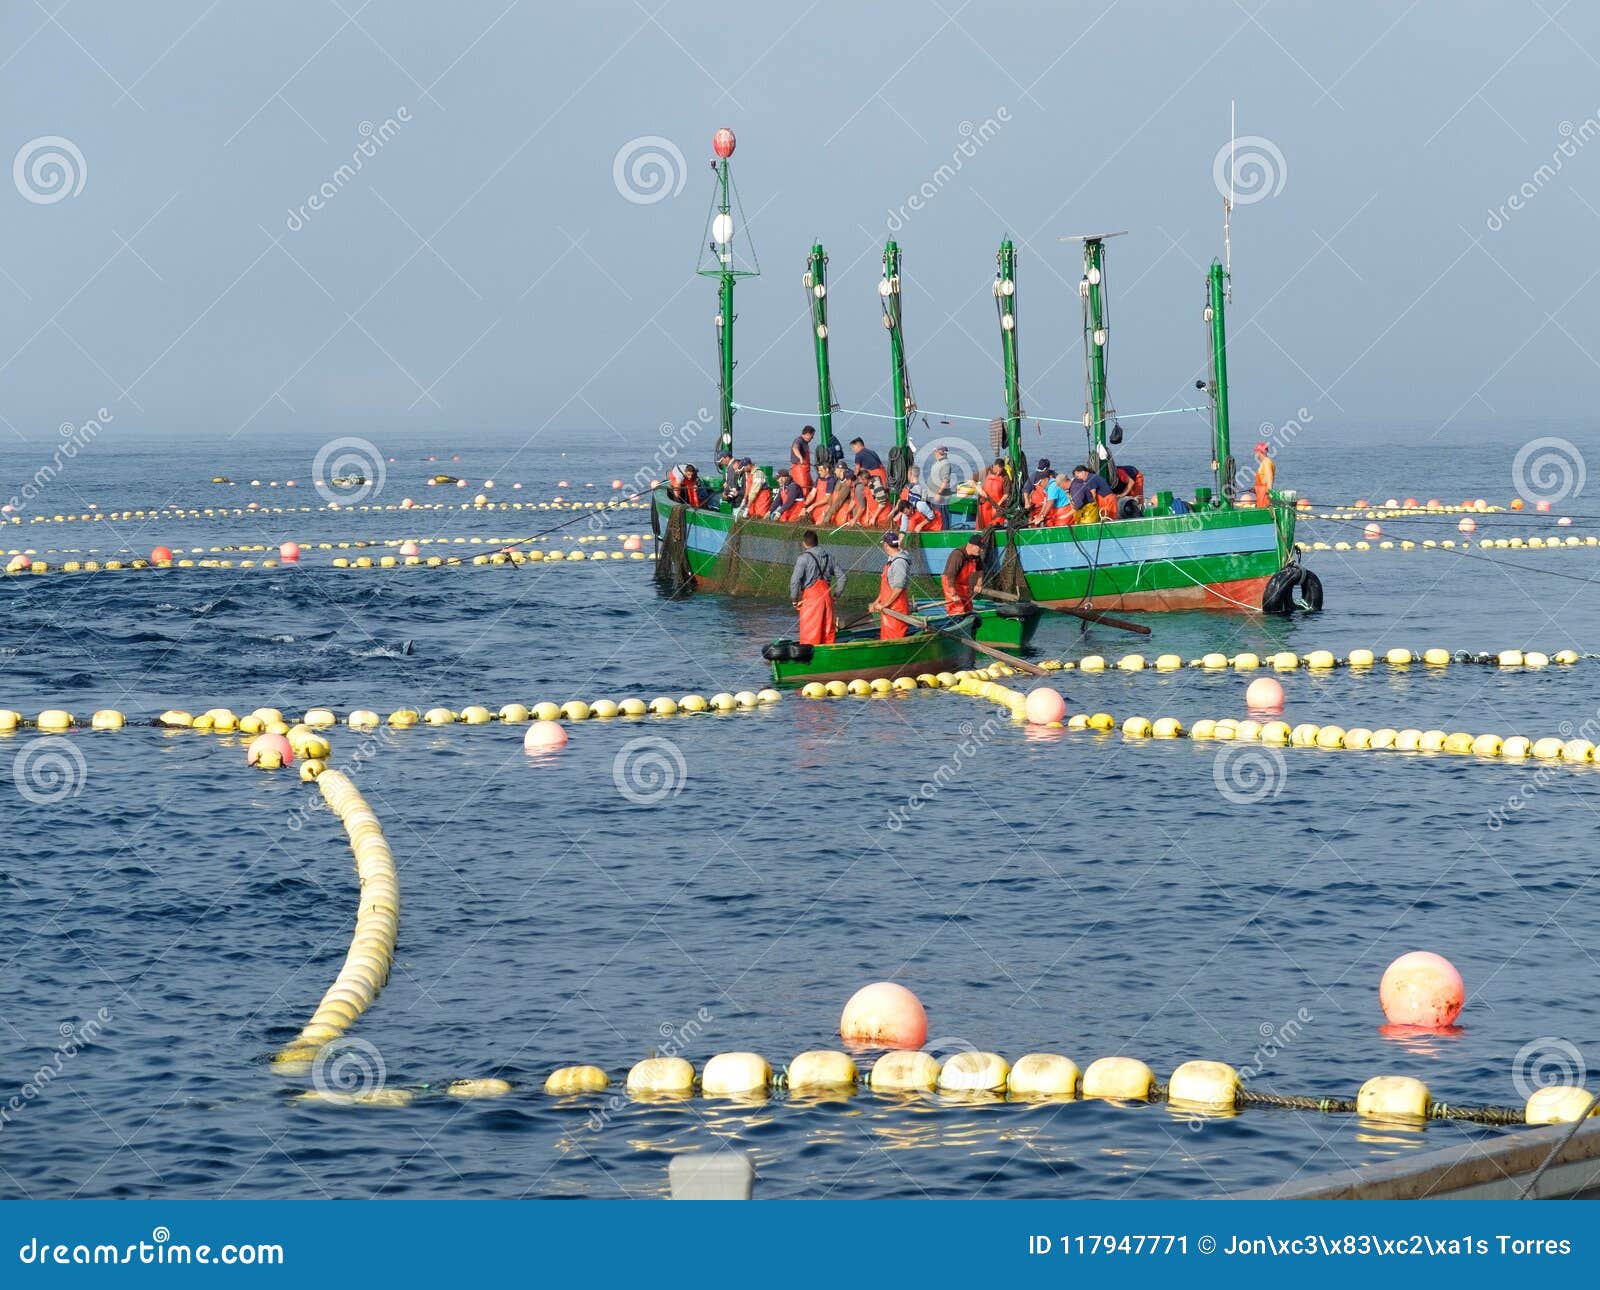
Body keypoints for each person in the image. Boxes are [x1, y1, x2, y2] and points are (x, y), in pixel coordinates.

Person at [790, 530, 843, 645]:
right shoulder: (830, 557)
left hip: (811, 601)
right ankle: (828, 656)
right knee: (828, 632)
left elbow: (795, 581)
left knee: (810, 634)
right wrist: (835, 596)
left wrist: (794, 600)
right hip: (827, 599)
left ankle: (809, 658)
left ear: (804, 543)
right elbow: (843, 578)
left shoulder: (803, 558)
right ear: (817, 542)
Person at [867, 531, 912, 639]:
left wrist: (884, 605)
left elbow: (898, 588)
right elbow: (886, 587)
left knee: (895, 636)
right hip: (888, 610)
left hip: (896, 610)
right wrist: (876, 602)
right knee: (886, 636)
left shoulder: (899, 562)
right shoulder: (891, 560)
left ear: (886, 545)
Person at [941, 538, 985, 615]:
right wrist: (954, 594)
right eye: (980, 547)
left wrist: (978, 584)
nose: (982, 550)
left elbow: (980, 571)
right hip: (950, 584)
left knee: (968, 608)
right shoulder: (958, 555)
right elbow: (950, 576)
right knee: (957, 609)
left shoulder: (976, 556)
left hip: (963, 585)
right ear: (970, 545)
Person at [896, 465, 943, 533]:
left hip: (924, 521)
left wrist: (897, 515)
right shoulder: (924, 487)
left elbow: (903, 506)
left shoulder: (908, 489)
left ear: (910, 474)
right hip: (932, 523)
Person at [924, 445, 954, 530]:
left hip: (939, 496)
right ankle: (938, 530)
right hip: (932, 495)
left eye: (935, 451)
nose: (934, 453)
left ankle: (944, 533)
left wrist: (939, 494)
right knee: (937, 516)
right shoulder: (937, 462)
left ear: (939, 452)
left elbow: (945, 481)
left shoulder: (945, 464)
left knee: (942, 516)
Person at [977, 459, 1010, 529]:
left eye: (1000, 471)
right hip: (984, 504)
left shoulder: (1005, 476)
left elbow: (1006, 494)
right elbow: (972, 480)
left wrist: (999, 503)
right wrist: (979, 489)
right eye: (997, 470)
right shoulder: (987, 471)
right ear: (994, 466)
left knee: (996, 527)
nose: (998, 473)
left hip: (997, 507)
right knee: (982, 527)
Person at [790, 426, 816, 493]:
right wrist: (800, 457)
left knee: (812, 486)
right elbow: (795, 448)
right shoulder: (799, 440)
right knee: (803, 488)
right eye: (812, 436)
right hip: (799, 469)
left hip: (806, 469)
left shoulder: (805, 442)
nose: (812, 438)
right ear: (807, 434)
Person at [1253, 440, 1276, 509]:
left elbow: (1269, 478)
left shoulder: (1267, 462)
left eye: (1256, 452)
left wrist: (1269, 494)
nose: (1256, 454)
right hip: (1261, 495)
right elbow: (1263, 480)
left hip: (1264, 497)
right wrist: (1255, 489)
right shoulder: (1265, 462)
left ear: (1259, 452)